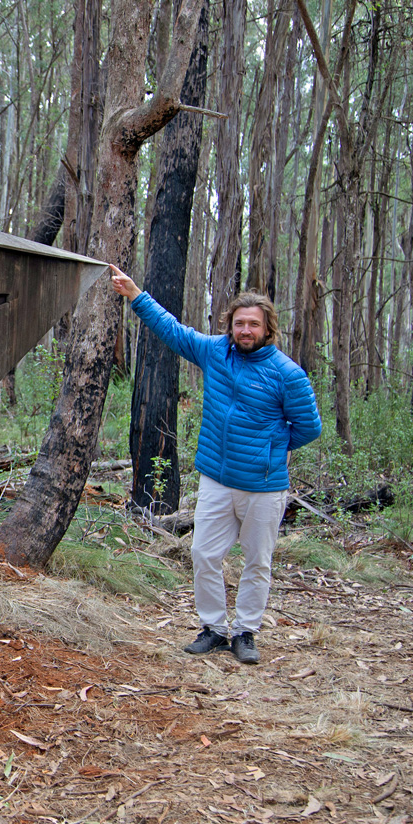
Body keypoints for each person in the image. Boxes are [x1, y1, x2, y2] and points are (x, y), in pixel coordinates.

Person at [111, 266, 322, 664]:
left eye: (253, 324)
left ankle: (245, 632)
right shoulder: (215, 352)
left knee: (257, 562)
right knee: (204, 554)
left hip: (264, 486)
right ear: (230, 325)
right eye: (239, 323)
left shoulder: (287, 374)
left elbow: (309, 427)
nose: (245, 330)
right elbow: (173, 331)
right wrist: (136, 295)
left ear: (267, 329)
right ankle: (213, 629)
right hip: (217, 479)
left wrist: (271, 449)